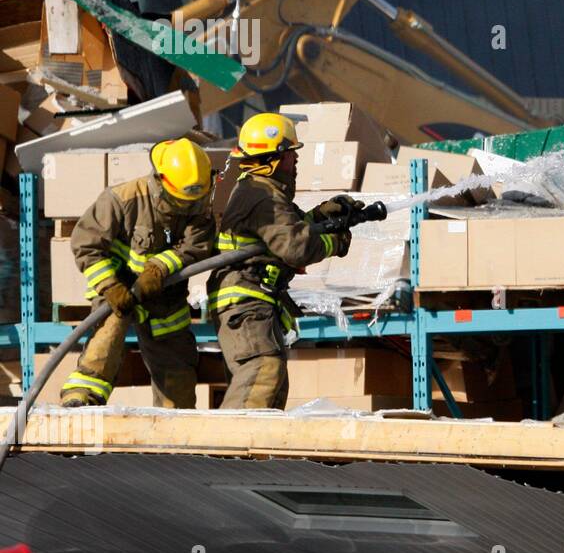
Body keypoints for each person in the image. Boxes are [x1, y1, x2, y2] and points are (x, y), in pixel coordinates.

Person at [208, 113, 355, 409]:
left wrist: (322, 216)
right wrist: (336, 242)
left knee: (271, 388)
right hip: (246, 302)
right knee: (262, 371)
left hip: (254, 302)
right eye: (290, 154)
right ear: (273, 159)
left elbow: (288, 229)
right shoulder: (261, 195)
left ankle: (256, 452)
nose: (295, 161)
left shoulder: (261, 190)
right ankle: (229, 450)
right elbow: (295, 247)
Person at [61, 139, 215, 408]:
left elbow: (198, 244)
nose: (188, 208)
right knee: (106, 339)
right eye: (181, 200)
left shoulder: (198, 203)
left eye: (194, 200)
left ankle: (174, 429)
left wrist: (159, 268)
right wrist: (110, 286)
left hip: (165, 297)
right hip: (119, 289)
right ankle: (81, 399)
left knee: (177, 366)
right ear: (161, 180)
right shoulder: (121, 199)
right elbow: (86, 244)